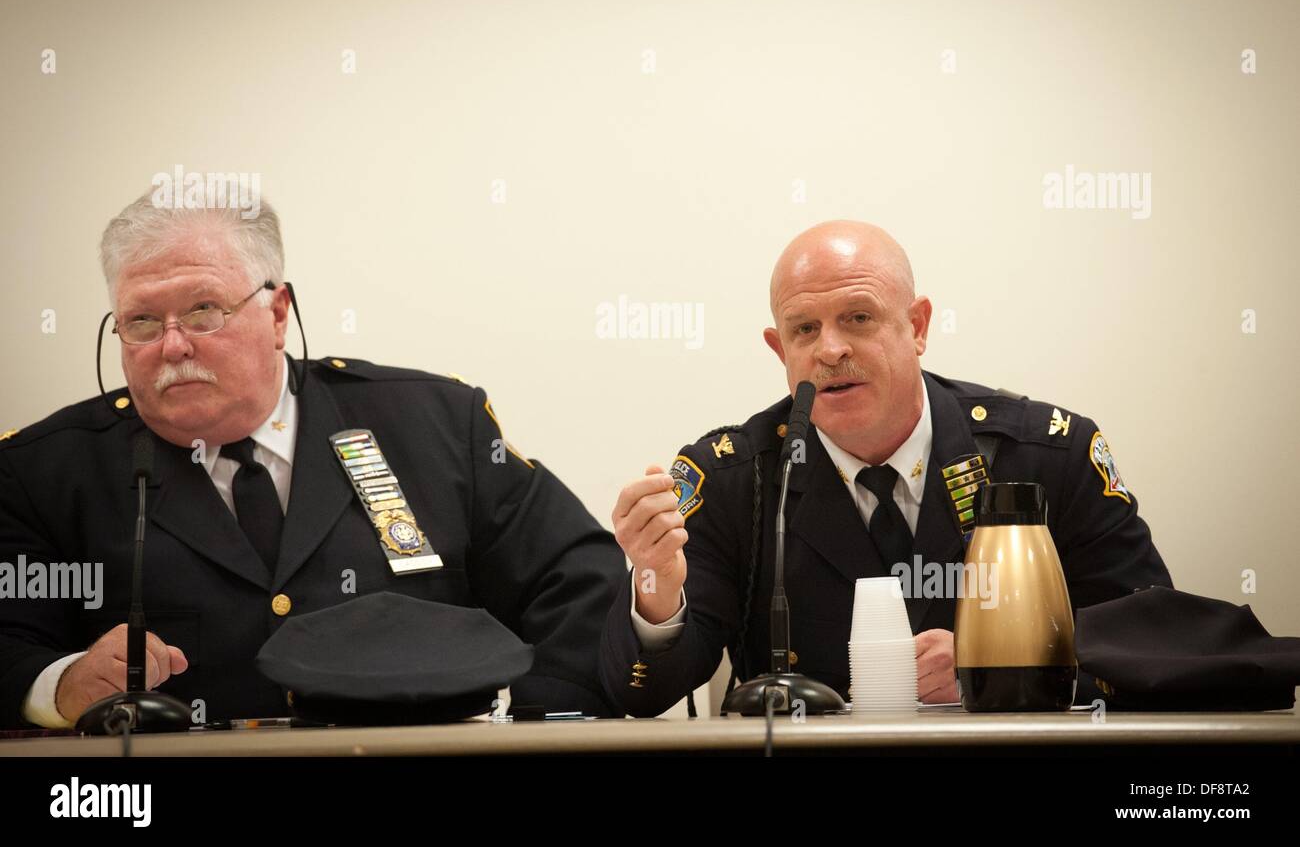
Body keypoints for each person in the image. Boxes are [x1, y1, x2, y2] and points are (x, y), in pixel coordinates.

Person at [0, 193, 624, 728]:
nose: (173, 344)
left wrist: (528, 722)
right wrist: (58, 685)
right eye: (140, 322)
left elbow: (578, 582)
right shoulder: (46, 472)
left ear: (277, 314)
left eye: (202, 311)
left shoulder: (434, 424)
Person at [600, 220, 1172, 716]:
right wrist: (656, 588)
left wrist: (1003, 667)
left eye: (857, 317)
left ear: (917, 327)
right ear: (780, 351)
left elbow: (1157, 647)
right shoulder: (735, 480)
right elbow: (643, 695)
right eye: (804, 329)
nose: (829, 351)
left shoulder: (1051, 456)